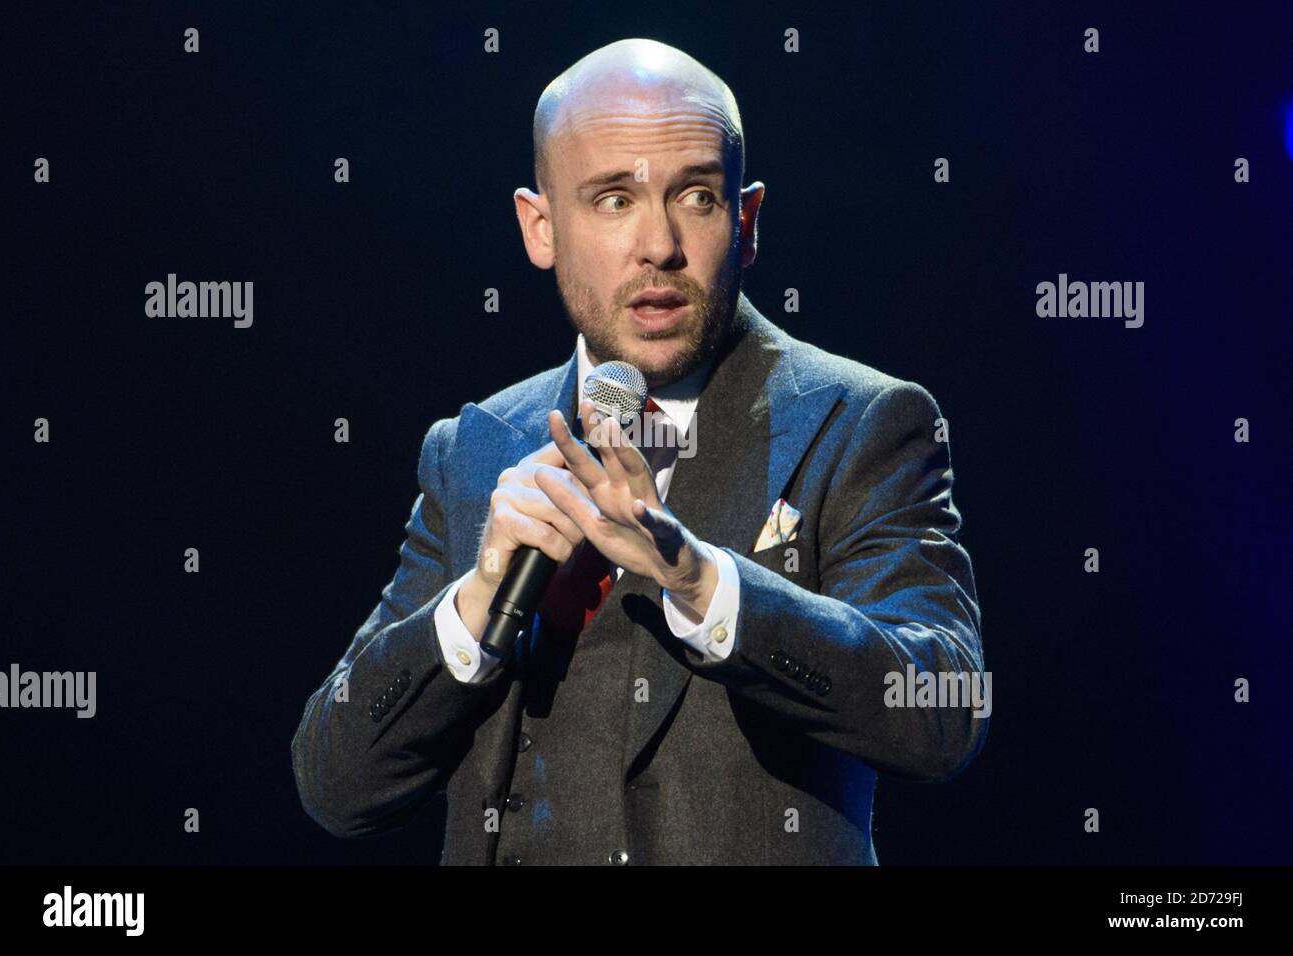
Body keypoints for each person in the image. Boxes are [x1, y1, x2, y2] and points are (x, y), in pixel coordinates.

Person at [291, 37, 987, 865]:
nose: (657, 245)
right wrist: (475, 603)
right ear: (540, 226)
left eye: (695, 195)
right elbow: (335, 784)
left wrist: (701, 579)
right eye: (613, 200)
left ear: (747, 219)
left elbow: (944, 711)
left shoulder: (863, 421)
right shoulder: (474, 449)